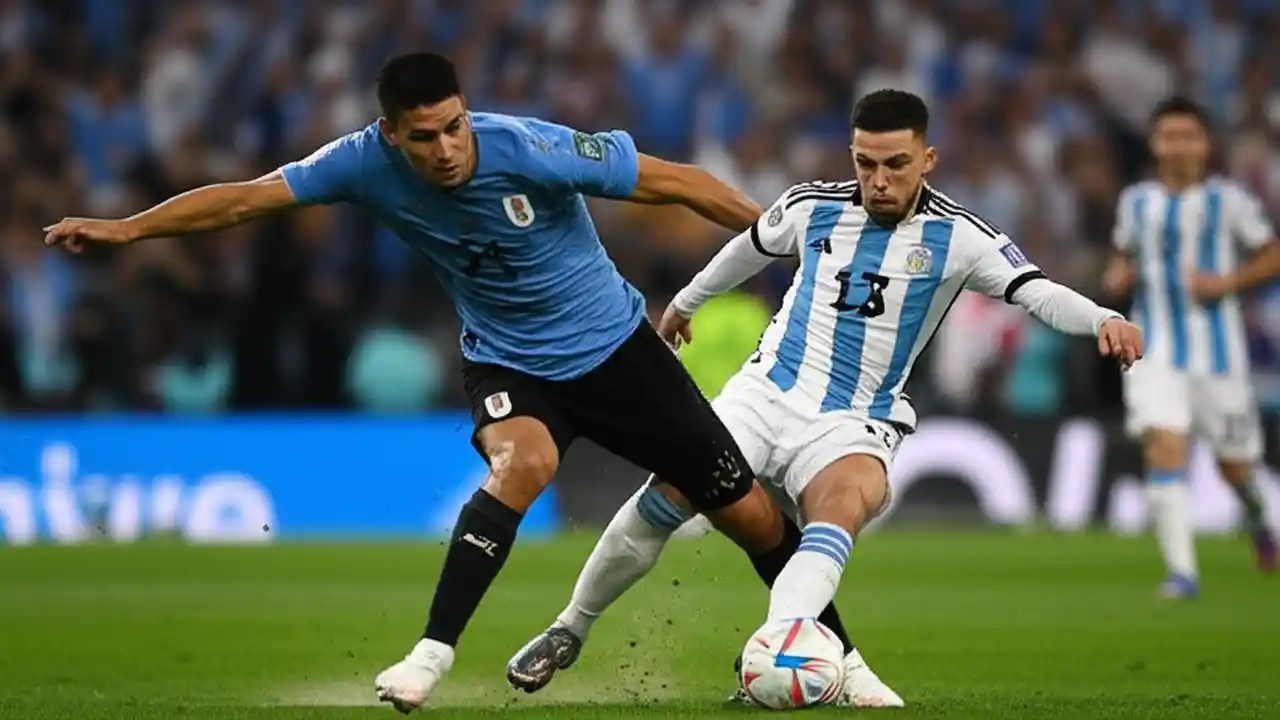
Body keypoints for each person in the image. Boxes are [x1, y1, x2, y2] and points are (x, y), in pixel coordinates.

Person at [42, 51, 866, 713]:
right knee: (523, 468)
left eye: (454, 127)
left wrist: (788, 238)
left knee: (756, 518)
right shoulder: (360, 164)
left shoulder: (528, 147)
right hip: (508, 360)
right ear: (390, 135)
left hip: (620, 352)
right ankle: (430, 656)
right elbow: (245, 201)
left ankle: (847, 664)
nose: (445, 149)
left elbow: (674, 181)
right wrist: (128, 228)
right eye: (425, 136)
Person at [508, 89, 1144, 707]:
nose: (879, 180)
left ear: (927, 159)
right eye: (865, 164)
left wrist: (1101, 320)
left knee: (843, 502)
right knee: (666, 493)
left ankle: (779, 645)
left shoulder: (962, 237)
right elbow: (748, 248)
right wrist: (684, 304)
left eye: (896, 164)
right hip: (765, 394)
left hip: (856, 418)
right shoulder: (812, 207)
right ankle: (571, 627)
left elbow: (1036, 291)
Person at [1103, 97, 1280, 599]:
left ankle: (1259, 518)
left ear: (1205, 144)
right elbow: (1121, 259)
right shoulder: (1136, 201)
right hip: (1152, 350)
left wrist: (1227, 281)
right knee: (1165, 444)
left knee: (1235, 466)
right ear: (1155, 144)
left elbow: (1273, 253)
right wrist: (1117, 275)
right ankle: (1182, 573)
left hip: (1219, 359)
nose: (1178, 146)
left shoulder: (1229, 201)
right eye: (1168, 136)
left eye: (1188, 135)